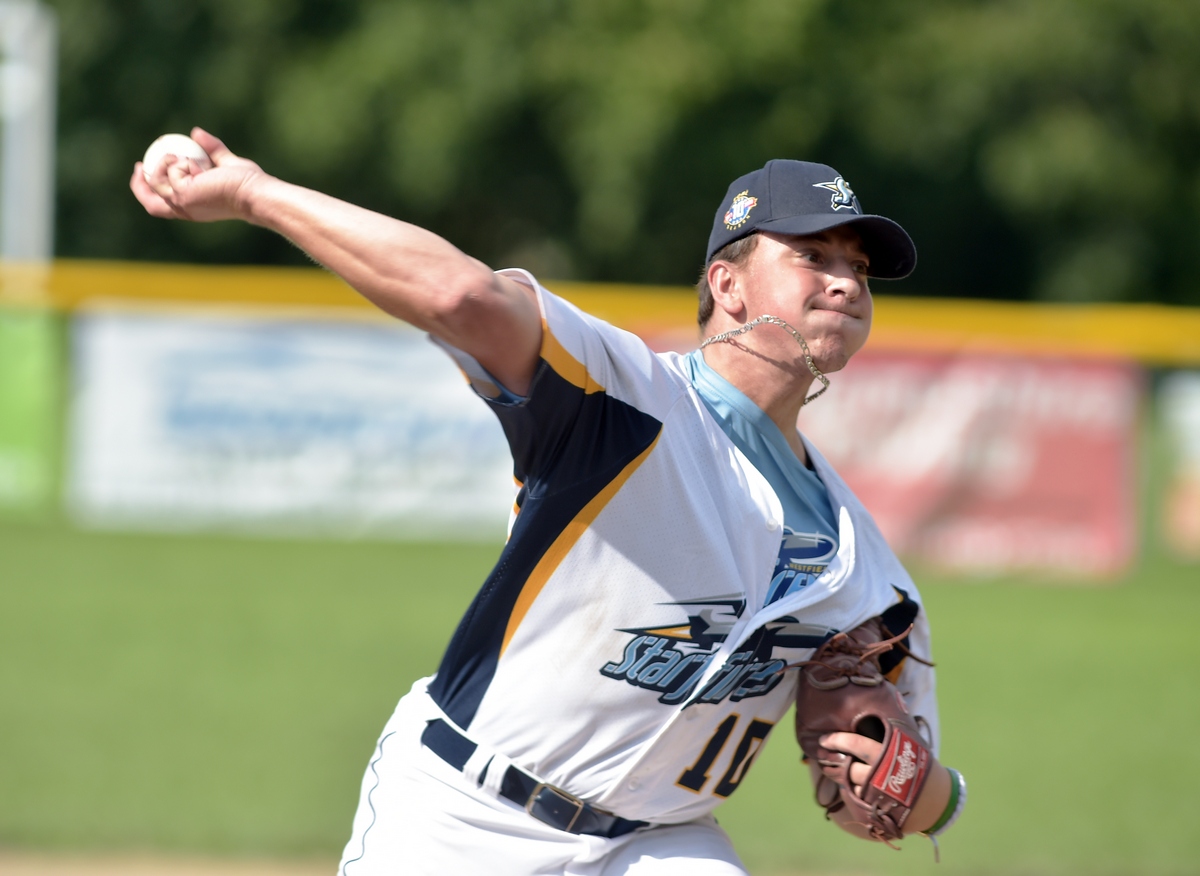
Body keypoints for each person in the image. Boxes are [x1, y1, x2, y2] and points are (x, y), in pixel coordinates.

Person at [131, 130, 965, 875]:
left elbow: (915, 795)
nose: (847, 283)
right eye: (813, 256)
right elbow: (462, 300)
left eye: (857, 267)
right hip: (465, 814)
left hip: (657, 842)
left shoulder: (868, 575)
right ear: (728, 284)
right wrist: (252, 193)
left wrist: (923, 789)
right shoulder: (628, 400)